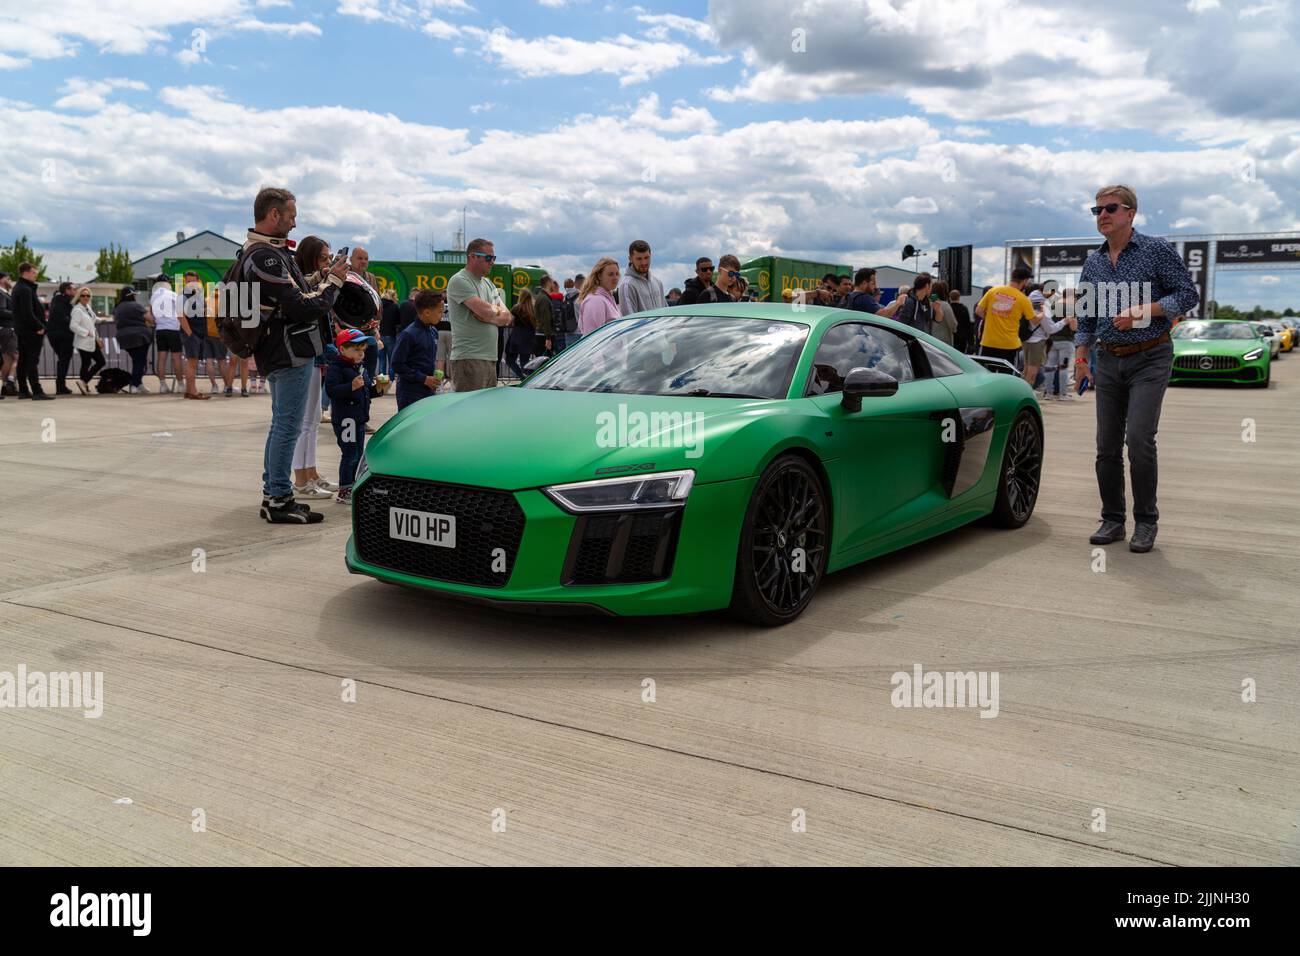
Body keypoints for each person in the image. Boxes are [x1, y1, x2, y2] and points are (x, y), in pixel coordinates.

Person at [1076, 184, 1199, 554]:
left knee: (1139, 440)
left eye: (1110, 208)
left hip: (1150, 356)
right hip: (1108, 359)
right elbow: (1085, 314)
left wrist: (1144, 311)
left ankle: (1146, 521)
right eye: (1096, 210)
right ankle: (1113, 519)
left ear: (1130, 213)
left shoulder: (1156, 250)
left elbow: (1187, 295)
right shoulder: (1093, 262)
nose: (1103, 216)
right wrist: (1081, 359)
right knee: (1106, 446)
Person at [240, 186, 347, 524]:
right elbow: (302, 306)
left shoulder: (266, 252)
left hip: (286, 352)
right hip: (288, 353)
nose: (295, 222)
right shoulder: (265, 256)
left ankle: (276, 493)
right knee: (287, 426)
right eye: (291, 215)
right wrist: (335, 284)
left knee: (283, 425)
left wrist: (324, 280)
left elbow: (296, 294)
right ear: (274, 215)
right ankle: (278, 499)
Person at [290, 235, 338, 499]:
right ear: (309, 258)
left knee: (313, 420)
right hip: (305, 352)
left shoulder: (317, 284)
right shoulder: (304, 285)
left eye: (329, 258)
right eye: (323, 258)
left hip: (317, 352)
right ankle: (301, 479)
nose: (327, 263)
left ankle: (311, 473)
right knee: (304, 421)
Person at [325, 328, 388, 505]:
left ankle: (354, 486)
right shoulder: (337, 367)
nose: (361, 354)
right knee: (350, 454)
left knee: (359, 454)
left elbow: (366, 391)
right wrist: (350, 387)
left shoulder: (359, 368)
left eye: (362, 350)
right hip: (346, 419)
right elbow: (331, 391)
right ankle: (344, 490)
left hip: (358, 419)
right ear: (342, 349)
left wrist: (378, 389)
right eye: (356, 350)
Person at [446, 237, 511, 392]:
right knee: (469, 413)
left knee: (485, 412)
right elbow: (485, 311)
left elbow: (507, 317)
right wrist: (494, 312)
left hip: (489, 358)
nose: (492, 262)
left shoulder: (488, 283)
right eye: (488, 257)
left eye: (493, 258)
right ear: (472, 256)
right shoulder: (459, 280)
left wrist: (491, 315)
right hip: (469, 358)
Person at [390, 289, 445, 410]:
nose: (441, 316)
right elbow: (397, 364)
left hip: (428, 390)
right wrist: (423, 378)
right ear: (426, 312)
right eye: (440, 312)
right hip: (410, 393)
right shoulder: (408, 334)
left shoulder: (433, 331)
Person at [974, 266, 1037, 365]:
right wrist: (1043, 313)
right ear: (1025, 281)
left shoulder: (993, 291)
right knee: (1008, 377)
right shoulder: (1023, 299)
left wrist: (991, 317)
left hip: (989, 342)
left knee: (987, 376)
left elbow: (978, 311)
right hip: (1010, 346)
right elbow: (1034, 321)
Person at [11, 263, 51, 400]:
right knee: (31, 361)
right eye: (34, 273)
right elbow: (27, 313)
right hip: (31, 332)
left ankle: (23, 390)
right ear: (26, 273)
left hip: (23, 330)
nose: (36, 275)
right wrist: (39, 327)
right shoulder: (24, 290)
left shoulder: (20, 288)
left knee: (23, 360)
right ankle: (37, 391)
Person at [176, 271, 212, 400]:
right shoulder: (183, 296)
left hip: (199, 333)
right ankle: (193, 392)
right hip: (191, 333)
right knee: (192, 363)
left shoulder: (198, 295)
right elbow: (180, 315)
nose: (191, 283)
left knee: (193, 363)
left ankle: (189, 390)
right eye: (188, 281)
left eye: (193, 281)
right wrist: (190, 333)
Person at [349, 247, 382, 381]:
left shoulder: (371, 278)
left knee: (369, 370)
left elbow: (378, 304)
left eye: (366, 259)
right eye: (359, 258)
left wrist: (377, 327)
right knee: (351, 370)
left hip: (369, 331)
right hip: (350, 331)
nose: (363, 261)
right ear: (351, 260)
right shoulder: (345, 275)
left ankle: (366, 397)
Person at [112, 286, 153, 394]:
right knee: (140, 362)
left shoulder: (117, 308)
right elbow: (150, 319)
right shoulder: (136, 306)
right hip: (140, 336)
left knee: (137, 361)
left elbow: (115, 321)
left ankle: (139, 384)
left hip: (124, 337)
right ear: (132, 295)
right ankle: (134, 385)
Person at [149, 274, 184, 393]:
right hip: (173, 329)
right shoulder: (173, 294)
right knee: (176, 358)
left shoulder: (153, 297)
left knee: (161, 358)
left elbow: (151, 314)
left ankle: (162, 385)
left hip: (160, 329)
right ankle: (180, 385)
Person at [1042, 288, 1078, 401]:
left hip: (1051, 341)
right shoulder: (1071, 309)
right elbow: (1074, 327)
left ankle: (1048, 393)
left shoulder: (1052, 306)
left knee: (1050, 367)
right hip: (1066, 342)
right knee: (1063, 368)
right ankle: (1063, 394)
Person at [68, 286, 105, 394]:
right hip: (84, 341)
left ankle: (84, 384)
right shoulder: (77, 310)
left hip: (91, 340)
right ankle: (83, 382)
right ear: (79, 297)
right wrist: (86, 332)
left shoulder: (87, 307)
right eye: (83, 295)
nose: (86, 297)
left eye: (88, 295)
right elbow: (73, 326)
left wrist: (101, 320)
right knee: (100, 362)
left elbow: (92, 318)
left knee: (86, 363)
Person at [616, 239, 666, 315]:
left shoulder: (657, 282)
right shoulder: (627, 286)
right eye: (639, 259)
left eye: (646, 257)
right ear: (630, 259)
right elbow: (629, 319)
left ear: (651, 256)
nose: (644, 262)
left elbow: (665, 311)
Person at [45, 281, 77, 395]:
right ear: (67, 290)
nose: (75, 291)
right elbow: (65, 318)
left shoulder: (57, 300)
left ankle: (60, 385)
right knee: (64, 360)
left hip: (53, 334)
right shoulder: (65, 301)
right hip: (64, 334)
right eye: (73, 289)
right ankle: (60, 386)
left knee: (62, 360)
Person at [578, 257, 621, 337]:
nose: (615, 278)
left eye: (617, 274)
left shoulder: (607, 298)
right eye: (610, 274)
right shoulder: (595, 301)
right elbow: (592, 338)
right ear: (599, 276)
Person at [505, 289, 536, 380]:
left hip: (516, 338)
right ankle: (527, 379)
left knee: (510, 360)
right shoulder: (533, 309)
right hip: (529, 338)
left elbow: (509, 321)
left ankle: (522, 377)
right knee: (525, 363)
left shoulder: (517, 308)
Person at [0, 272, 18, 398]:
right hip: (7, 329)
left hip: (7, 329)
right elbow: (1, 311)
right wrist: (17, 313)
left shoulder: (4, 293)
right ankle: (9, 383)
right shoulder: (1, 294)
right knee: (15, 356)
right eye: (8, 278)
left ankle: (6, 385)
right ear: (1, 280)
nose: (10, 280)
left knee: (8, 358)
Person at [378, 287, 400, 378]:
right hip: (390, 335)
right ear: (393, 297)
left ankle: (381, 381)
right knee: (391, 360)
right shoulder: (394, 307)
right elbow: (398, 322)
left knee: (382, 360)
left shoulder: (379, 306)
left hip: (379, 336)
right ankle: (390, 381)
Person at [929, 280, 958, 345]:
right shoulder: (944, 305)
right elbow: (953, 325)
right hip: (942, 343)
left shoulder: (927, 304)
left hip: (928, 341)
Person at [949, 289, 974, 353]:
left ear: (950, 297)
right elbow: (968, 324)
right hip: (962, 337)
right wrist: (971, 341)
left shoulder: (948, 308)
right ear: (959, 297)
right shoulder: (964, 308)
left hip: (951, 336)